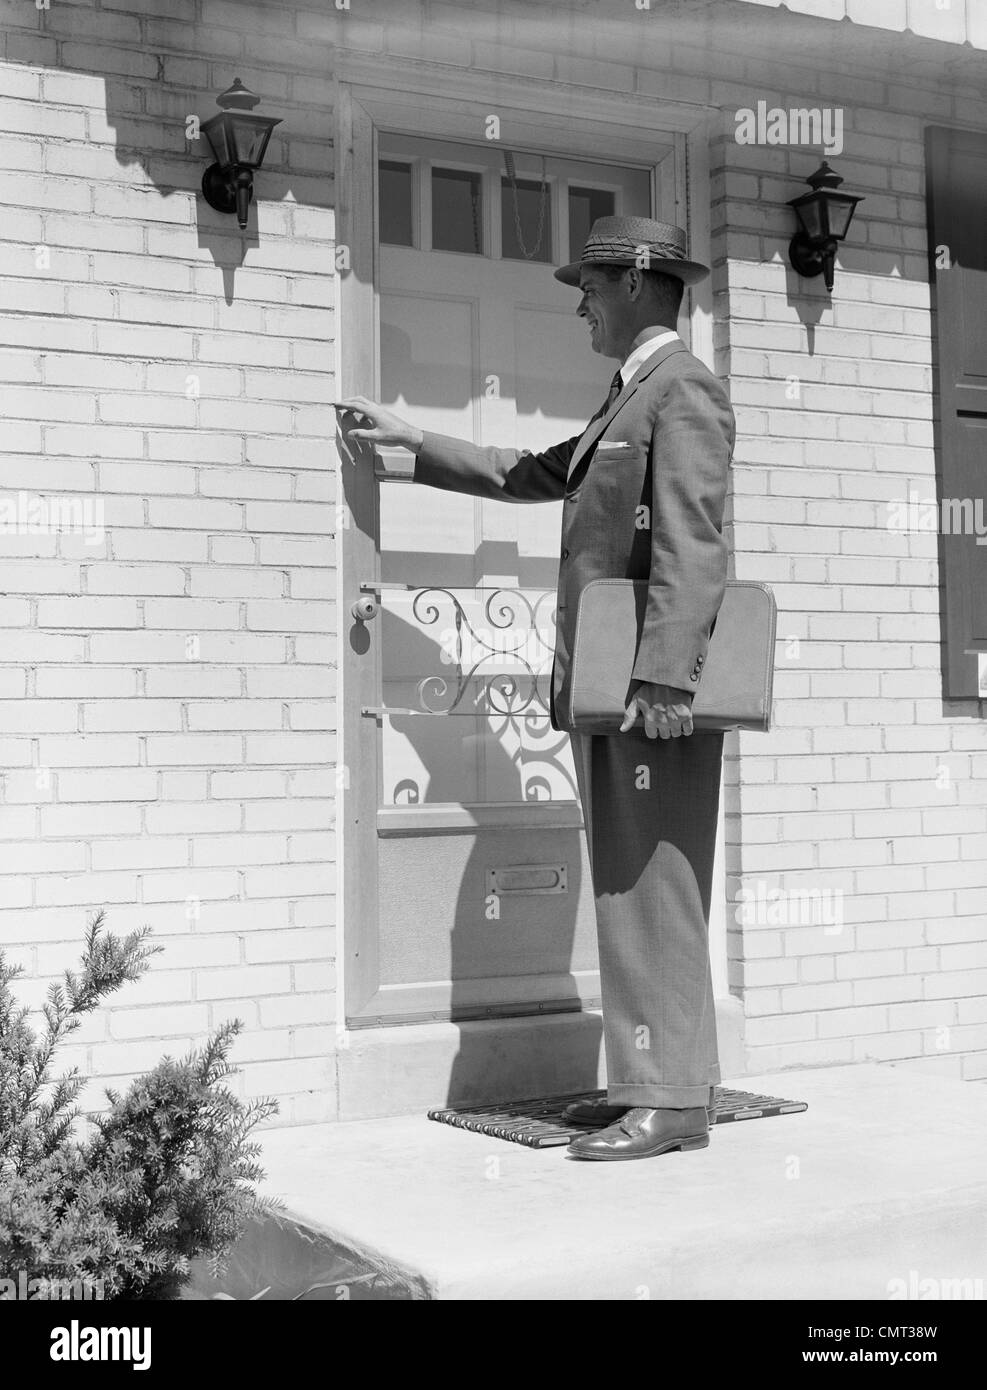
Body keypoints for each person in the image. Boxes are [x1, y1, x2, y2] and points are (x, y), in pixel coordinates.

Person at [335, 216, 735, 1161]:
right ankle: (659, 1080)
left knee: (654, 887)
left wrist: (665, 679)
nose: (579, 303)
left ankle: (671, 1101)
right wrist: (414, 440)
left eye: (589, 286)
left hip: (648, 692)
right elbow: (535, 473)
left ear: (638, 284)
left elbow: (694, 543)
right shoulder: (627, 396)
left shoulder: (685, 394)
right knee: (631, 887)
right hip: (616, 685)